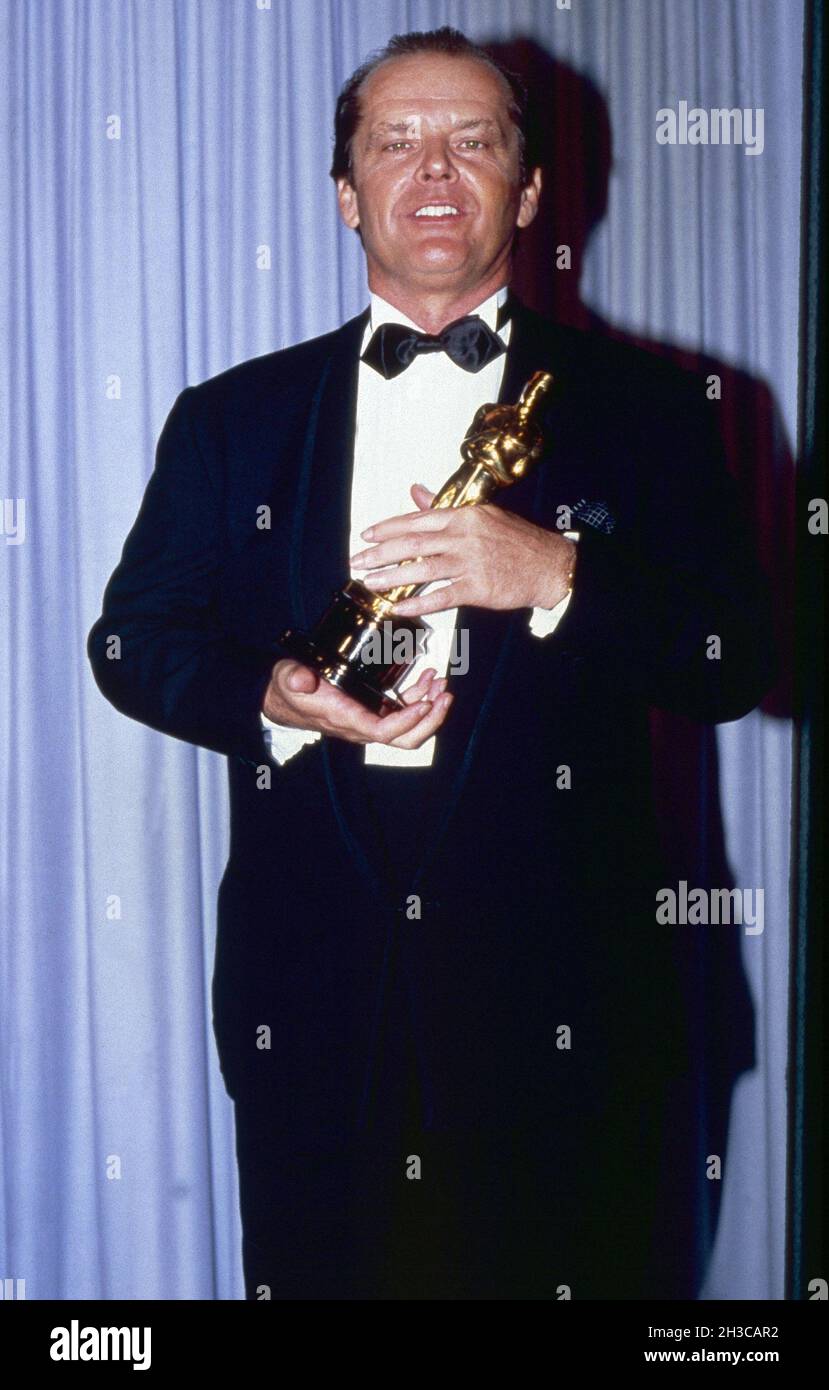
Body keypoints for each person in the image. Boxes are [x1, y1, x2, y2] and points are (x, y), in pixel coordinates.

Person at [87, 26, 776, 1299]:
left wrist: (560, 576)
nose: (435, 171)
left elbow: (735, 661)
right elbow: (131, 640)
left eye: (473, 139)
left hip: (566, 1011)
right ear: (347, 192)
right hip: (312, 1005)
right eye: (395, 142)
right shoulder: (229, 419)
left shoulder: (655, 410)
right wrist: (267, 697)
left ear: (528, 188)